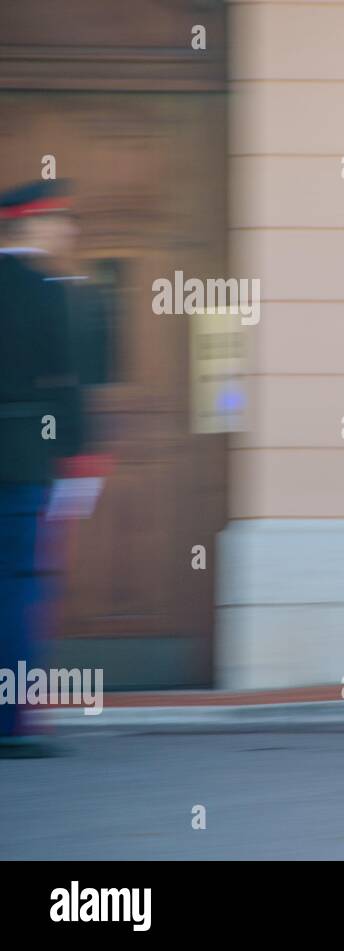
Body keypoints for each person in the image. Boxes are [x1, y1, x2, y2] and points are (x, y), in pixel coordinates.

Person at [0, 180, 84, 757]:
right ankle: (11, 724)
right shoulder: (47, 292)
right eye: (59, 220)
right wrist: (76, 459)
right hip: (23, 460)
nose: (67, 230)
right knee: (15, 590)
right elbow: (67, 388)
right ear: (30, 226)